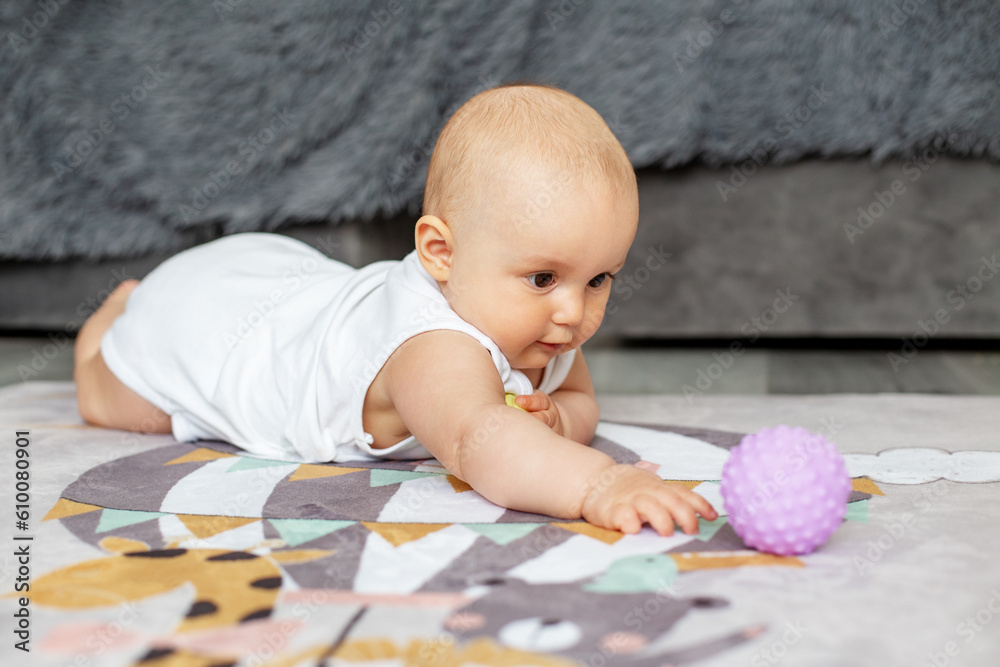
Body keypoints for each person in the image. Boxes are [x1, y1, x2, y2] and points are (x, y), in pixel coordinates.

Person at [74, 83, 717, 536]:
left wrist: (557, 426)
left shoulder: (542, 323)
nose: (575, 312)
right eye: (544, 277)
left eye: (600, 278)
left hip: (295, 287)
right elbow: (478, 441)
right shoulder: (432, 345)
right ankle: (108, 323)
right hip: (214, 327)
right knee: (122, 406)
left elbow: (579, 402)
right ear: (439, 252)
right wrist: (601, 484)